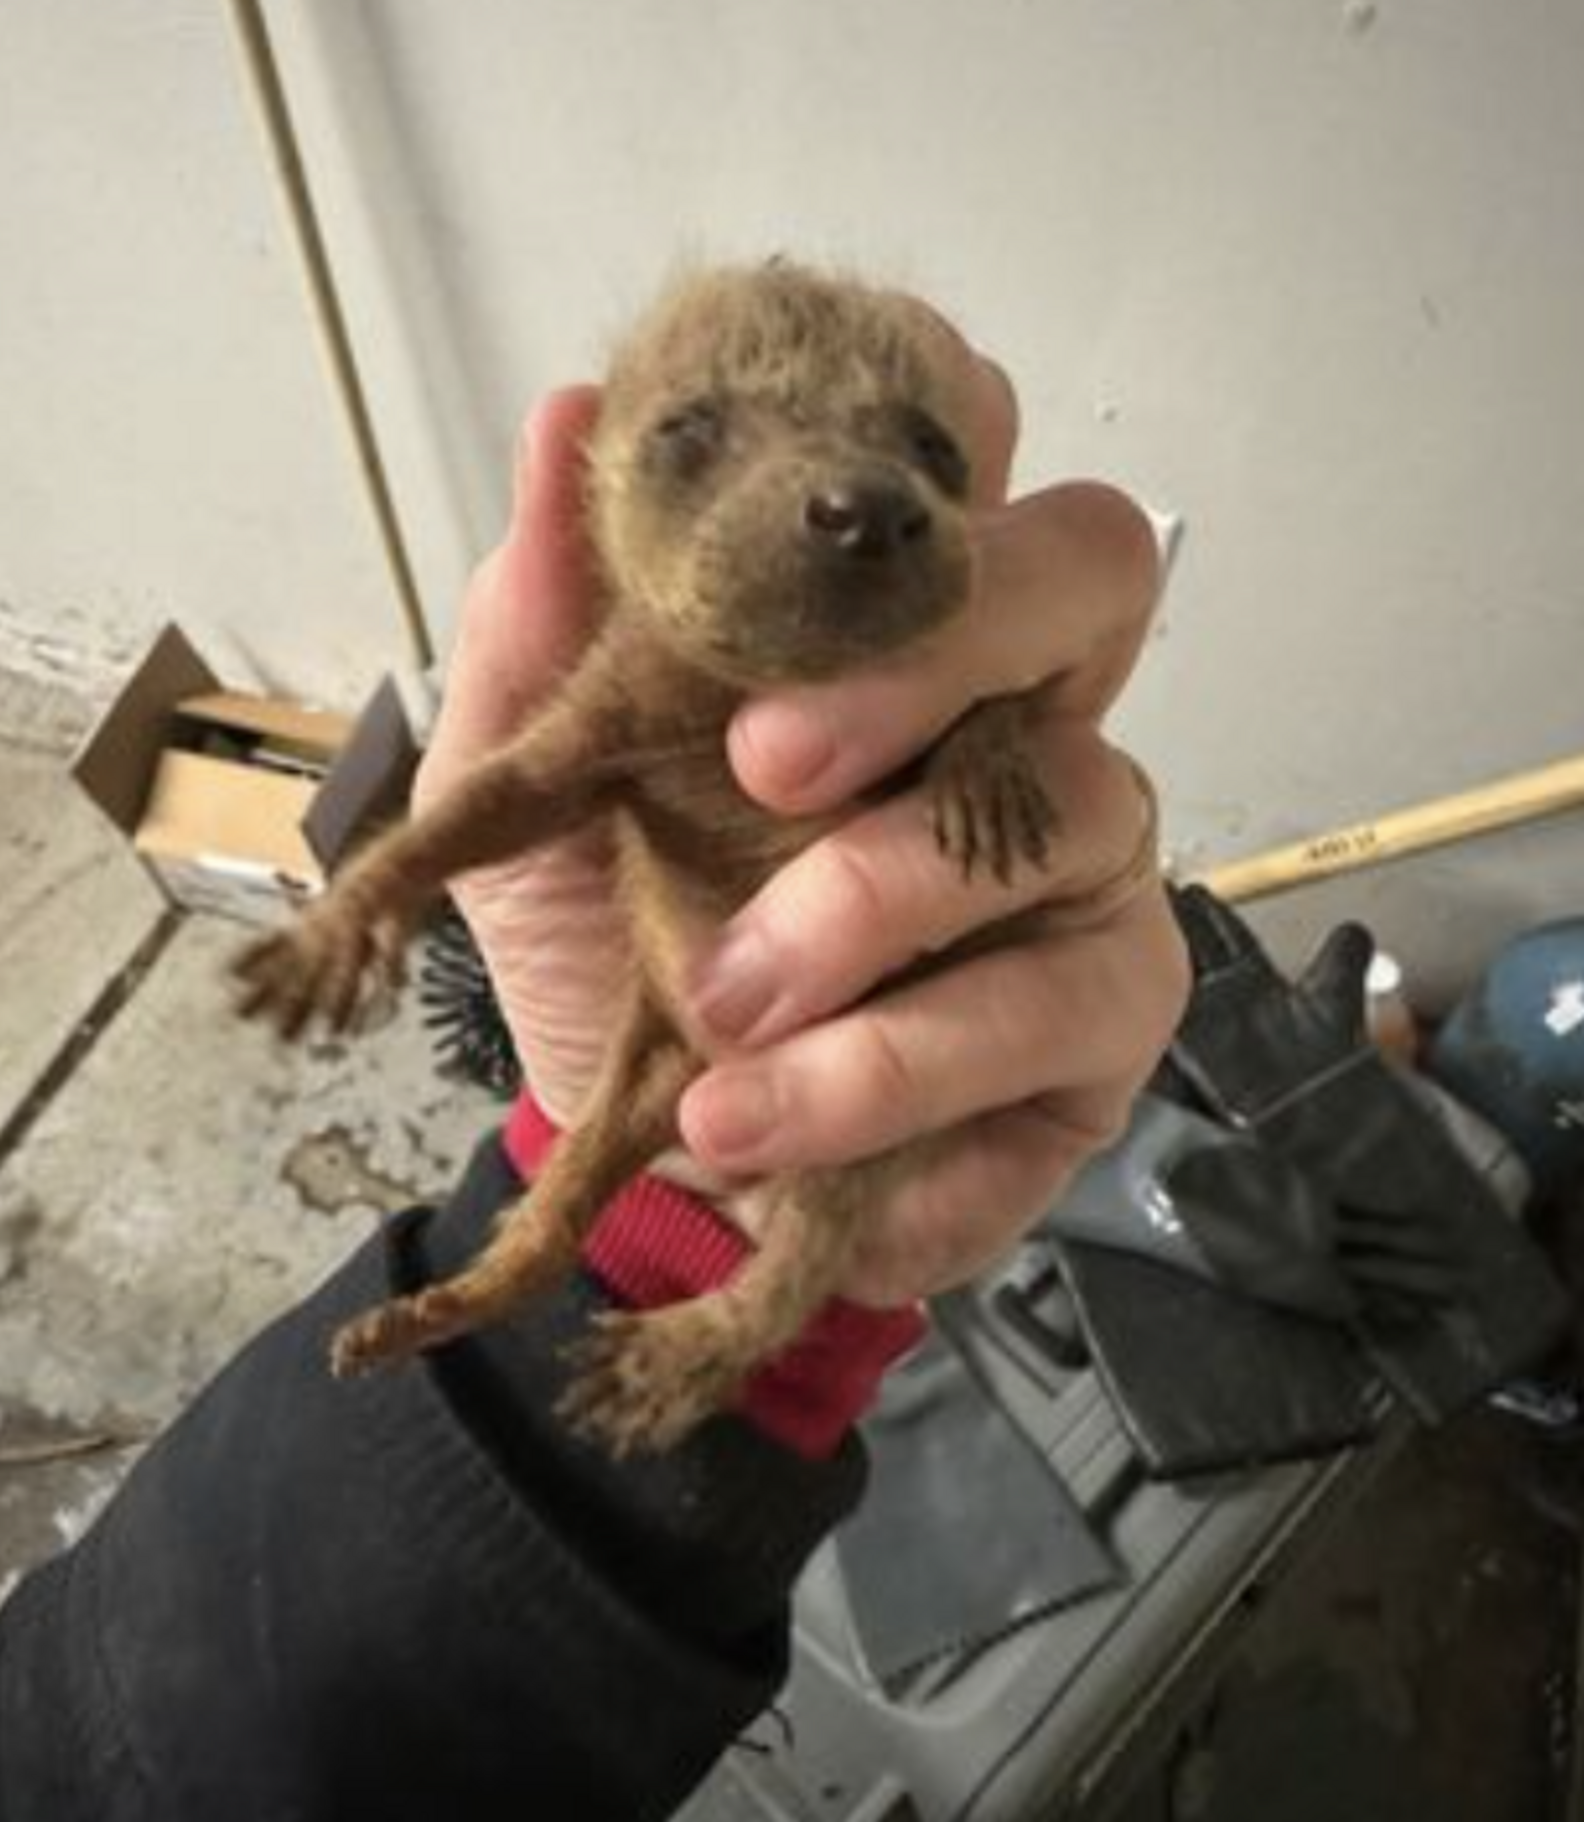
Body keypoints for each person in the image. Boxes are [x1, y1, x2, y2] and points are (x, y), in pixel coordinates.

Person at [0, 339, 1189, 1821]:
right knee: (628, 1168)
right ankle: (518, 1293)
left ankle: (566, 1300)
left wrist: (1005, 730)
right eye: (704, 442)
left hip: (730, 1115)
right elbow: (523, 782)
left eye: (914, 467)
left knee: (742, 1179)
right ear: (611, 484)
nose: (837, 496)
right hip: (678, 1044)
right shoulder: (644, 662)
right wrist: (368, 893)